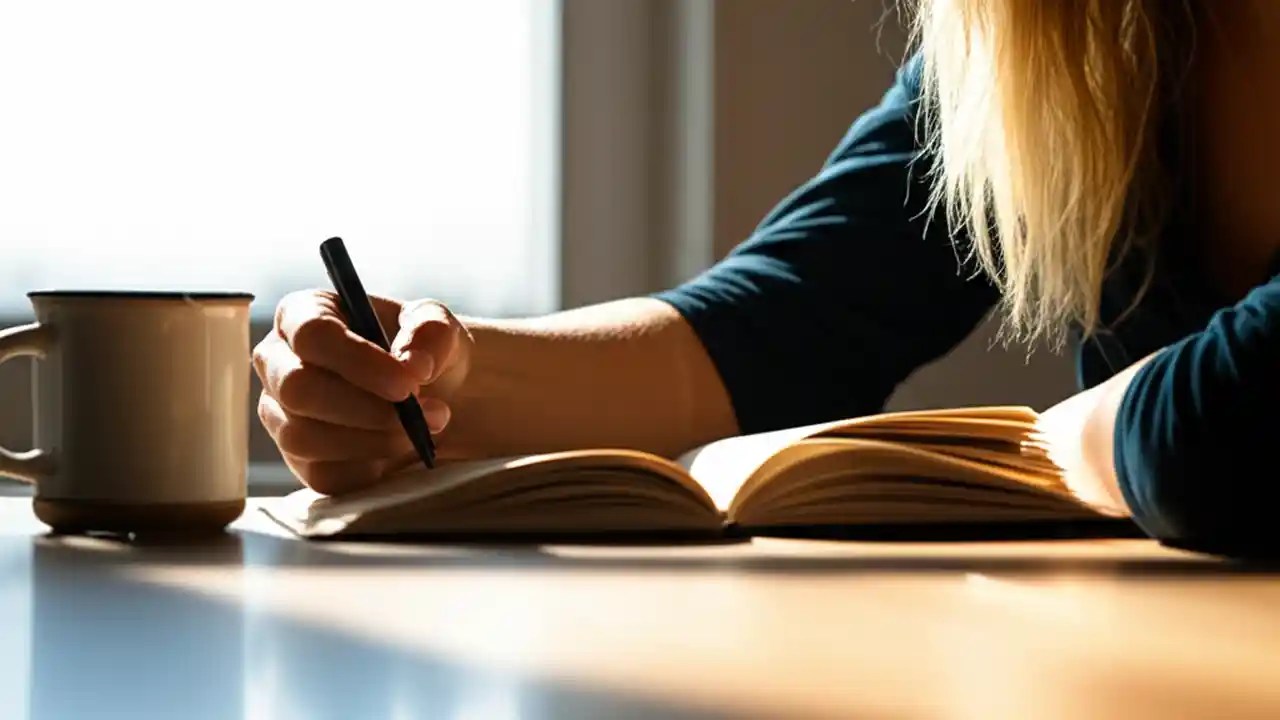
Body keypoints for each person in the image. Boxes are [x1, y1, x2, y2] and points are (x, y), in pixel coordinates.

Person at [251, 2, 1280, 558]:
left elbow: (1215, 432)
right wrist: (446, 378)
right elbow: (784, 324)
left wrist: (1066, 437)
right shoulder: (1064, 34)